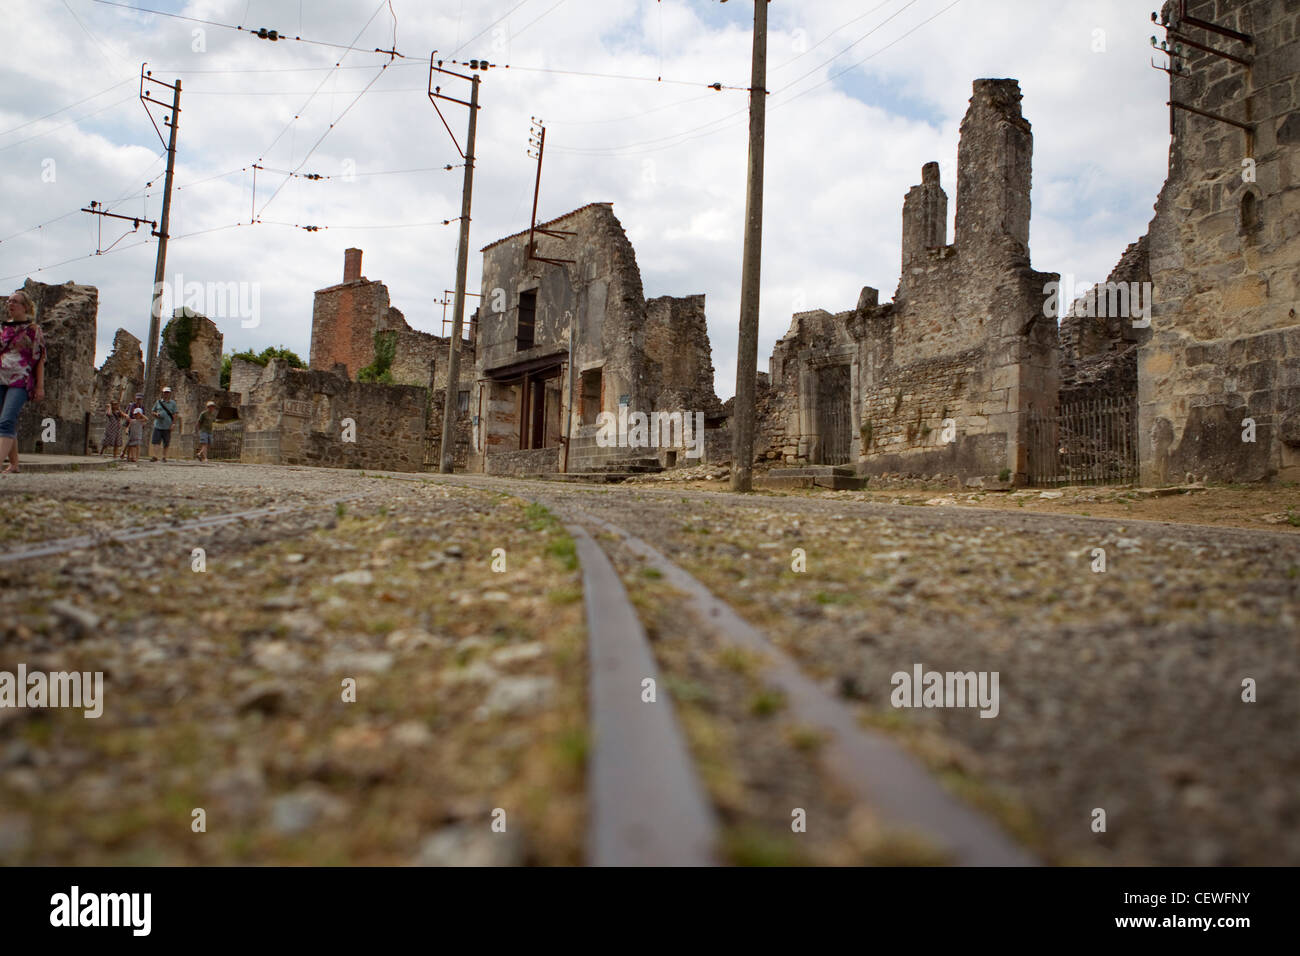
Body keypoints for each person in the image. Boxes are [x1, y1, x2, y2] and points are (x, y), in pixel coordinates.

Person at [0, 290, 46, 475]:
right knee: (6, 423)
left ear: (25, 306)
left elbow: (40, 359)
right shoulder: (3, 328)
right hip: (0, 377)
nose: (11, 304)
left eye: (15, 302)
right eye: (9, 301)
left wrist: (40, 387)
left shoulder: (33, 330)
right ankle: (14, 464)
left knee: (6, 421)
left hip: (21, 379)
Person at [149, 386, 180, 463]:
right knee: (156, 441)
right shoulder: (158, 402)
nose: (166, 394)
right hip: (158, 425)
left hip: (167, 425)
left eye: (167, 392)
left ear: (170, 394)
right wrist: (156, 414)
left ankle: (164, 457)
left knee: (166, 442)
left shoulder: (173, 403)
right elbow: (152, 411)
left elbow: (175, 414)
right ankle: (155, 456)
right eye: (165, 392)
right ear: (163, 393)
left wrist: (173, 424)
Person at [121, 392, 145, 460]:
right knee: (129, 440)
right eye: (137, 399)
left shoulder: (142, 407)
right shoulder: (132, 405)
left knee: (135, 442)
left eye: (140, 399)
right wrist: (128, 426)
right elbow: (128, 415)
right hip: (131, 423)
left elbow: (144, 416)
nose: (138, 400)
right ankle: (125, 453)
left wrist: (141, 423)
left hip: (137, 425)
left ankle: (132, 456)